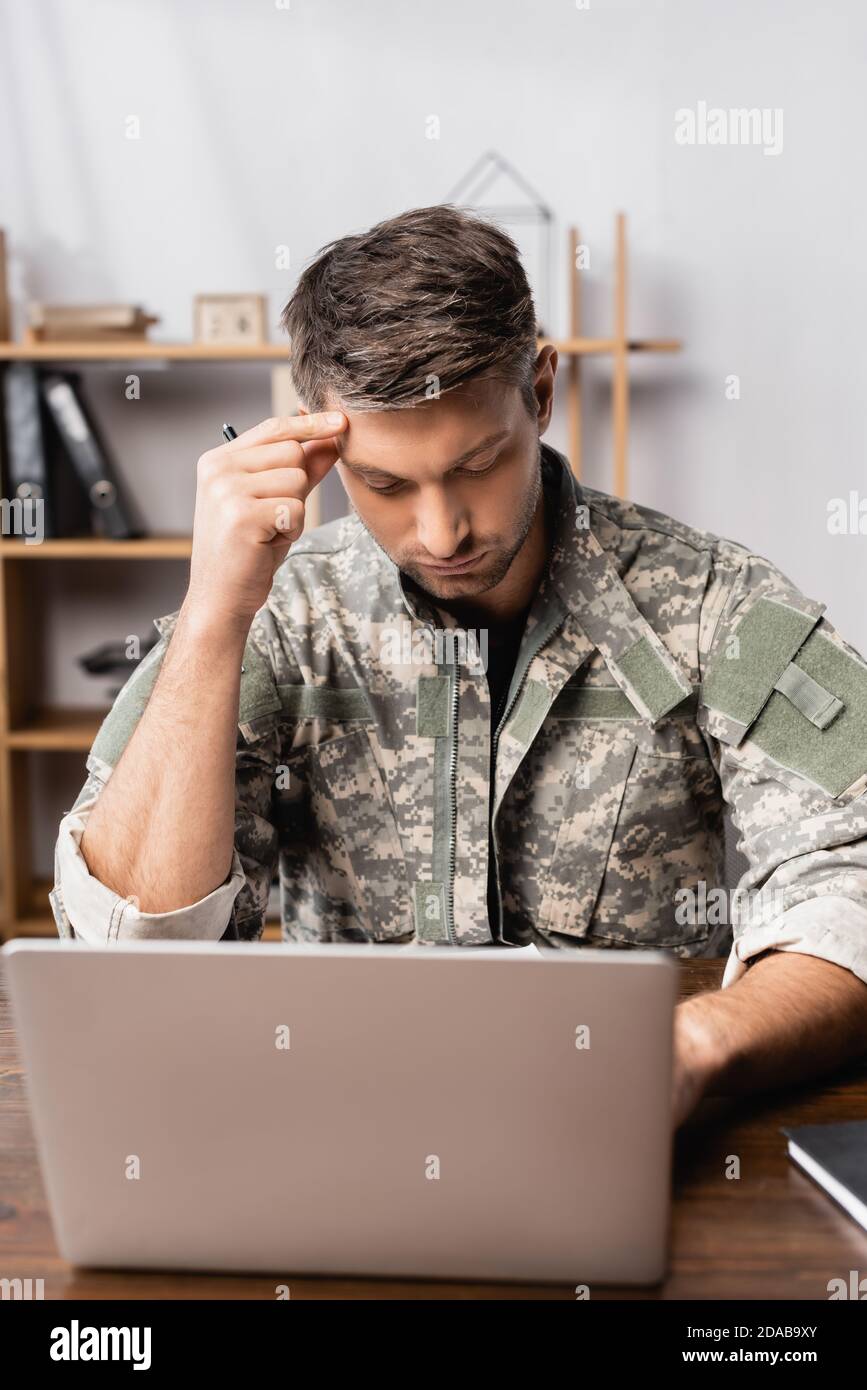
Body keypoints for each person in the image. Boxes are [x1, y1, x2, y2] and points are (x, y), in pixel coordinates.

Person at [51, 205, 867, 1128]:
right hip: (337, 1132)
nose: (442, 533)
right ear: (317, 442)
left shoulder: (718, 604)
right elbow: (125, 960)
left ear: (543, 391)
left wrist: (694, 1045)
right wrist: (210, 617)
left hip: (624, 1132)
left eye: (478, 464)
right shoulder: (278, 616)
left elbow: (851, 878)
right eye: (387, 484)